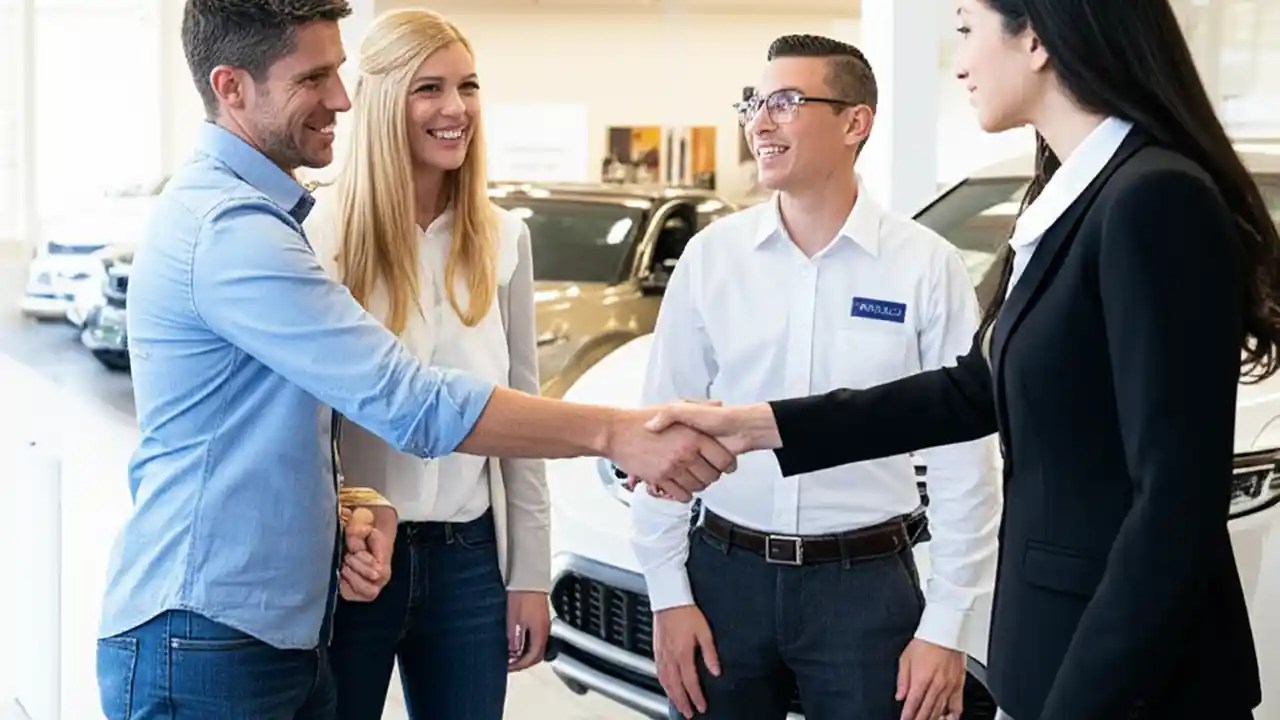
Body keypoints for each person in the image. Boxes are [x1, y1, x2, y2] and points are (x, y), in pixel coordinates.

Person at [94, 2, 733, 718]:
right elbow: (410, 403)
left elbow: (282, 430)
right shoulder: (246, 233)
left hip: (294, 605)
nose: (341, 96)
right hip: (217, 626)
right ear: (232, 86)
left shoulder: (271, 219)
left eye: (340, 73)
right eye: (316, 76)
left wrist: (361, 508)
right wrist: (615, 433)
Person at [646, 1, 1280, 718]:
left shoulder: (1152, 197)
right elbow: (975, 392)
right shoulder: (1073, 198)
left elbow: (1173, 505)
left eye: (967, 31)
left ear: (1036, 38)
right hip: (1056, 646)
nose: (960, 64)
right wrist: (764, 425)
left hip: (1125, 679)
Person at [630, 35, 1001, 720]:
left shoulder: (925, 267)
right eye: (753, 103)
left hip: (864, 590)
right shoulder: (713, 259)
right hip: (724, 578)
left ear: (855, 122)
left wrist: (947, 626)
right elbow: (663, 431)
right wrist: (668, 593)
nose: (759, 123)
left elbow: (964, 459)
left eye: (786, 103)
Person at [302, 9, 549, 719]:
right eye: (428, 88)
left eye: (467, 87)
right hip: (352, 563)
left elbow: (521, 419)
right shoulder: (321, 235)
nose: (455, 109)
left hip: (469, 559)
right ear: (381, 100)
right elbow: (306, 421)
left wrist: (527, 573)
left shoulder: (504, 237)